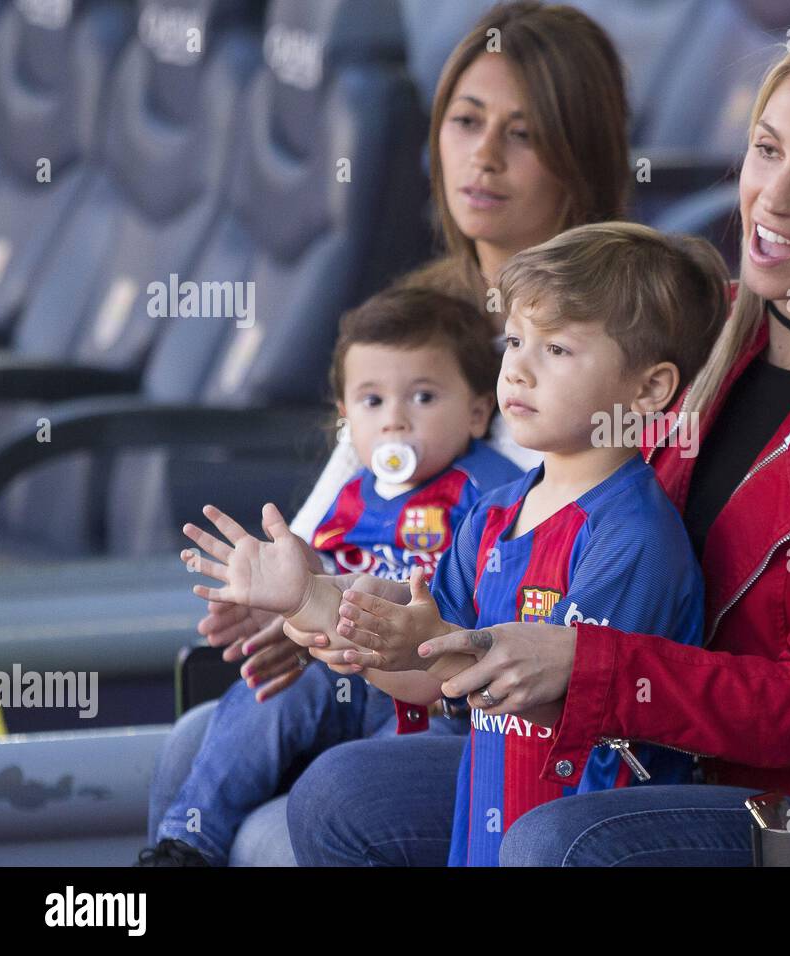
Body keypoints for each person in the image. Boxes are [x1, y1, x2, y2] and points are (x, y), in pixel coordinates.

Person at [288, 25, 790, 867]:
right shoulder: (710, 332)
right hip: (659, 752)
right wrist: (394, 619)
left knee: (557, 844)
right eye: (766, 151)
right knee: (340, 797)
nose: (769, 199)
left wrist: (587, 664)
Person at [144, 0, 631, 864]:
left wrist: (335, 622)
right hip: (358, 669)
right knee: (192, 741)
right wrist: (275, 611)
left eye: (523, 134)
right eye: (467, 122)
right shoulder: (417, 326)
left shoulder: (610, 340)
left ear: (581, 161)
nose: (483, 156)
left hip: (476, 693)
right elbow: (327, 531)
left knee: (267, 828)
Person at [302, 222, 728, 865]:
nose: (519, 371)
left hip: (582, 844)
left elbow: (565, 699)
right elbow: (427, 677)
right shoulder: (491, 514)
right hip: (488, 836)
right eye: (516, 341)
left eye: (556, 350)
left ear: (648, 390)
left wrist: (410, 646)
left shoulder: (633, 537)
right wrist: (313, 607)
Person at [137, 283, 522, 866]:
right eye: (372, 402)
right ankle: (186, 843)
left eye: (422, 397)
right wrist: (284, 601)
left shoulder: (490, 493)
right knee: (262, 700)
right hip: (337, 680)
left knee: (368, 765)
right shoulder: (349, 497)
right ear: (346, 418)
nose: (394, 420)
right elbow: (316, 580)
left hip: (436, 701)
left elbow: (489, 601)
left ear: (476, 410)